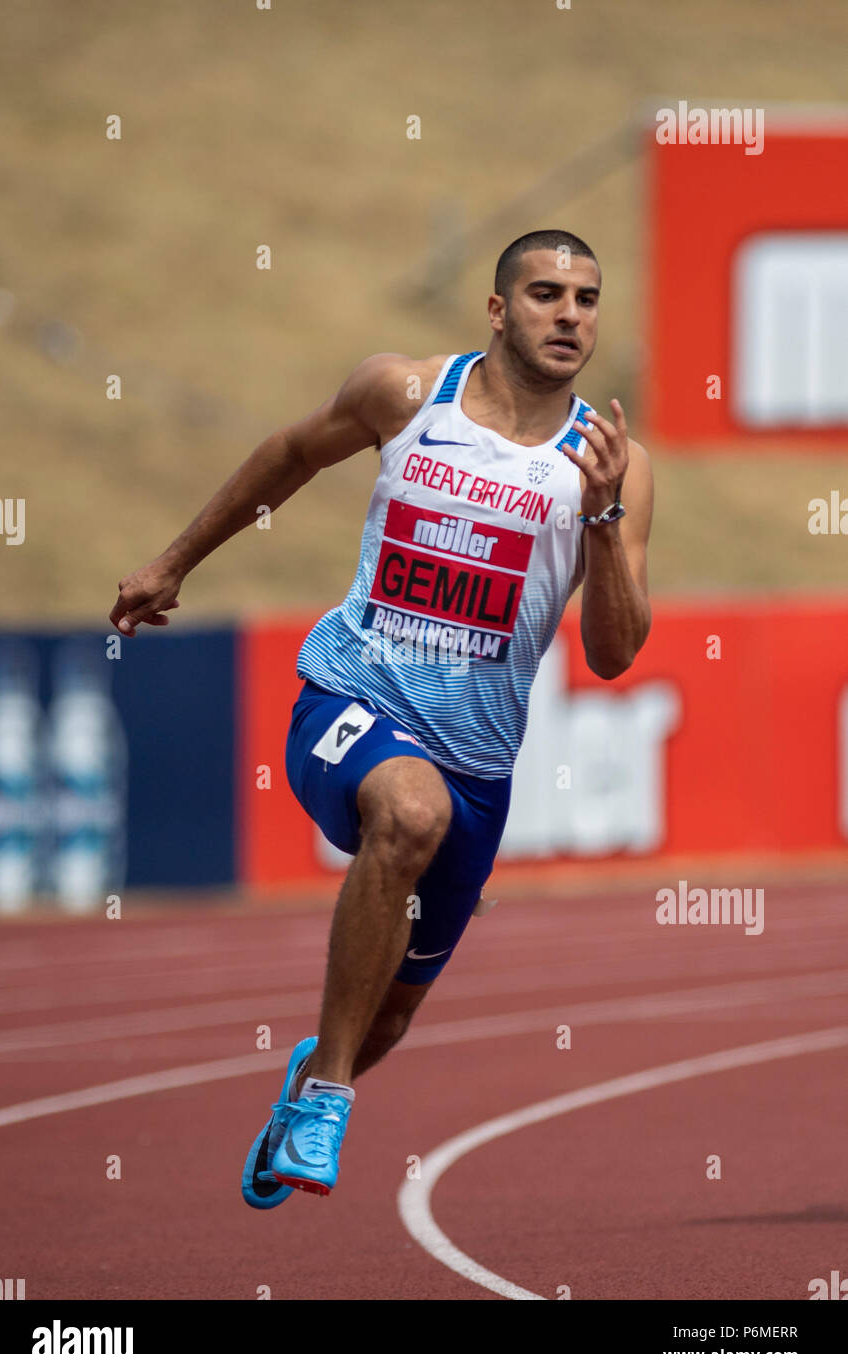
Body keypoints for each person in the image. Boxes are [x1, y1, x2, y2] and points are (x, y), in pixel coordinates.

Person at [109, 229, 654, 1207]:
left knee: (386, 1024)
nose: (569, 314)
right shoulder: (403, 395)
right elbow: (287, 454)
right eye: (544, 293)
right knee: (408, 811)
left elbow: (613, 655)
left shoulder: (605, 464)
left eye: (586, 298)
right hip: (348, 696)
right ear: (496, 310)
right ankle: (325, 1097)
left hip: (477, 764)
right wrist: (172, 563)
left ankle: (318, 1077)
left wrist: (605, 516)